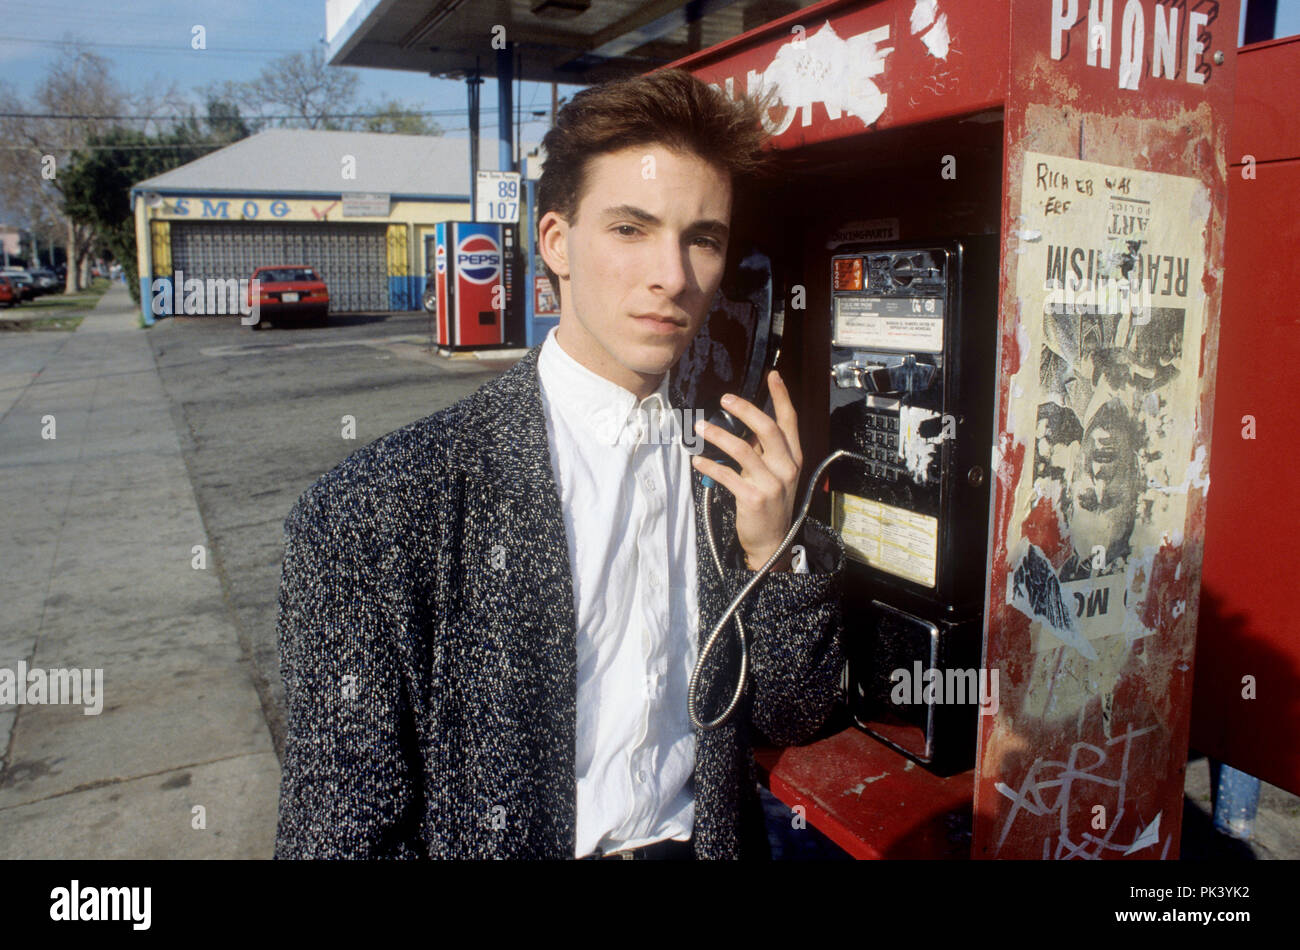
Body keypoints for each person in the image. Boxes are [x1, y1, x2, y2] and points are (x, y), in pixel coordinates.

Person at [272, 68, 845, 861]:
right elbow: (338, 840)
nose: (672, 277)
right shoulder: (378, 514)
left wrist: (774, 555)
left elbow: (796, 714)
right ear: (556, 243)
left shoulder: (729, 472)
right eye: (630, 229)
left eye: (702, 240)